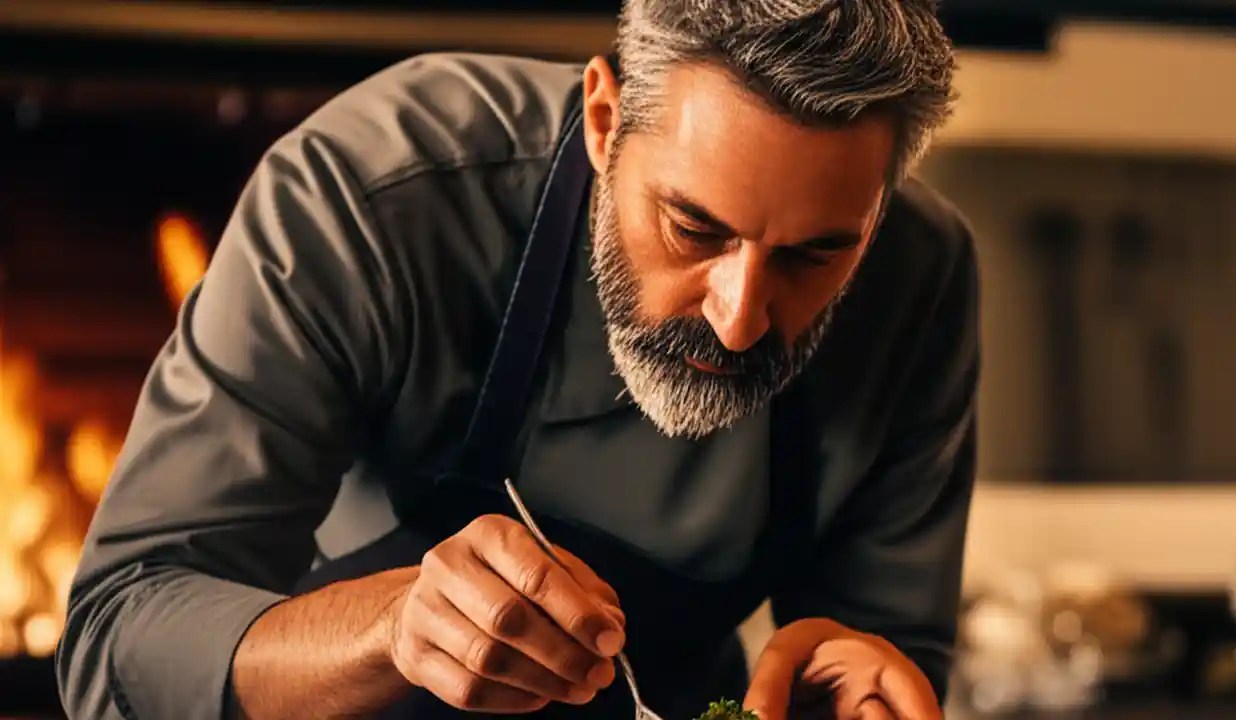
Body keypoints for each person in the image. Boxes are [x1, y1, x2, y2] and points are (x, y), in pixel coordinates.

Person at [57, 1, 979, 719]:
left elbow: (887, 654)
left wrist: (853, 678)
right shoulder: (372, 196)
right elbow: (116, 641)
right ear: (604, 120)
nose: (738, 322)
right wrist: (394, 630)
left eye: (816, 255)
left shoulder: (923, 280)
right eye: (692, 228)